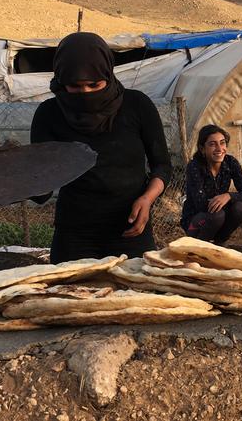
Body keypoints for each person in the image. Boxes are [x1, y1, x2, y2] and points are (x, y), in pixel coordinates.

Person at [30, 32, 171, 262]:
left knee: (136, 296)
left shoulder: (137, 106)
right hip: (74, 236)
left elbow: (162, 166)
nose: (85, 93)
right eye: (74, 87)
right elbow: (42, 189)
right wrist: (14, 177)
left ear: (107, 73)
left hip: (131, 230)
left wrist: (147, 199)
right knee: (69, 296)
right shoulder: (49, 114)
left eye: (94, 85)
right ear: (61, 81)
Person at [180, 125, 242, 245]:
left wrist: (228, 196)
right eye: (212, 144)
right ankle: (198, 247)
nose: (219, 149)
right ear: (202, 149)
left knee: (239, 208)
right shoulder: (195, 166)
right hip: (196, 221)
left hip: (219, 218)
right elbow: (200, 204)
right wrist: (221, 203)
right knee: (217, 215)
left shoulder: (230, 163)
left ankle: (219, 242)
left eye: (222, 143)